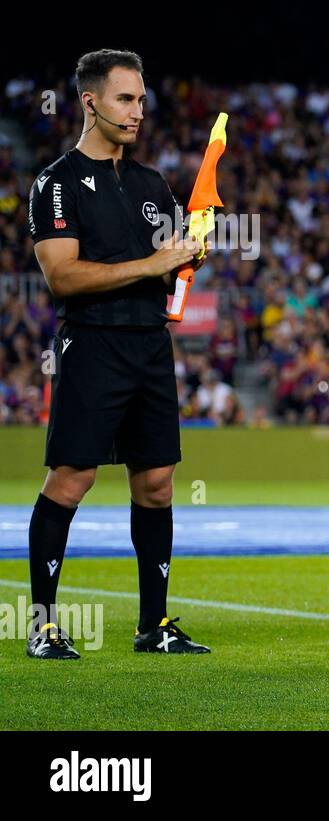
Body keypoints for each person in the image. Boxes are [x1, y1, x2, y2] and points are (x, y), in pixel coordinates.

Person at [26, 49, 209, 658]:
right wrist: (154, 263)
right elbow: (64, 277)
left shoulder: (152, 183)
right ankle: (43, 625)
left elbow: (164, 273)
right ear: (90, 101)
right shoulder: (56, 183)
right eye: (125, 99)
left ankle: (153, 626)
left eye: (141, 100)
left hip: (150, 345)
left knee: (157, 484)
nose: (137, 111)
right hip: (92, 343)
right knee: (71, 480)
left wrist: (183, 262)